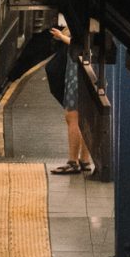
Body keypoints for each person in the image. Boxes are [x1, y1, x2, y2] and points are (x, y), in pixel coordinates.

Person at [48, 19, 91, 175]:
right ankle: (85, 160)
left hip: (78, 73)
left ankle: (73, 162)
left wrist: (61, 36)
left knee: (72, 117)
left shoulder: (84, 20)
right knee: (85, 118)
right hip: (86, 72)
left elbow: (81, 46)